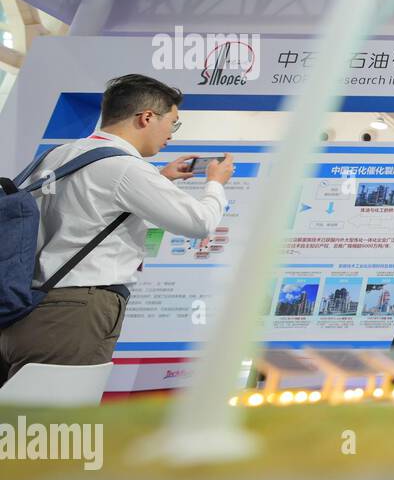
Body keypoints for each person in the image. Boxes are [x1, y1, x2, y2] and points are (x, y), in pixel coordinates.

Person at [0, 74, 234, 384]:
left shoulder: (56, 155)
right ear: (146, 117)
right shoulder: (126, 168)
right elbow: (199, 223)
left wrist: (160, 180)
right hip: (76, 312)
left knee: (22, 424)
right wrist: (215, 184)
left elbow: (88, 212)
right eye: (173, 123)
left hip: (21, 306)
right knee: (59, 425)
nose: (171, 136)